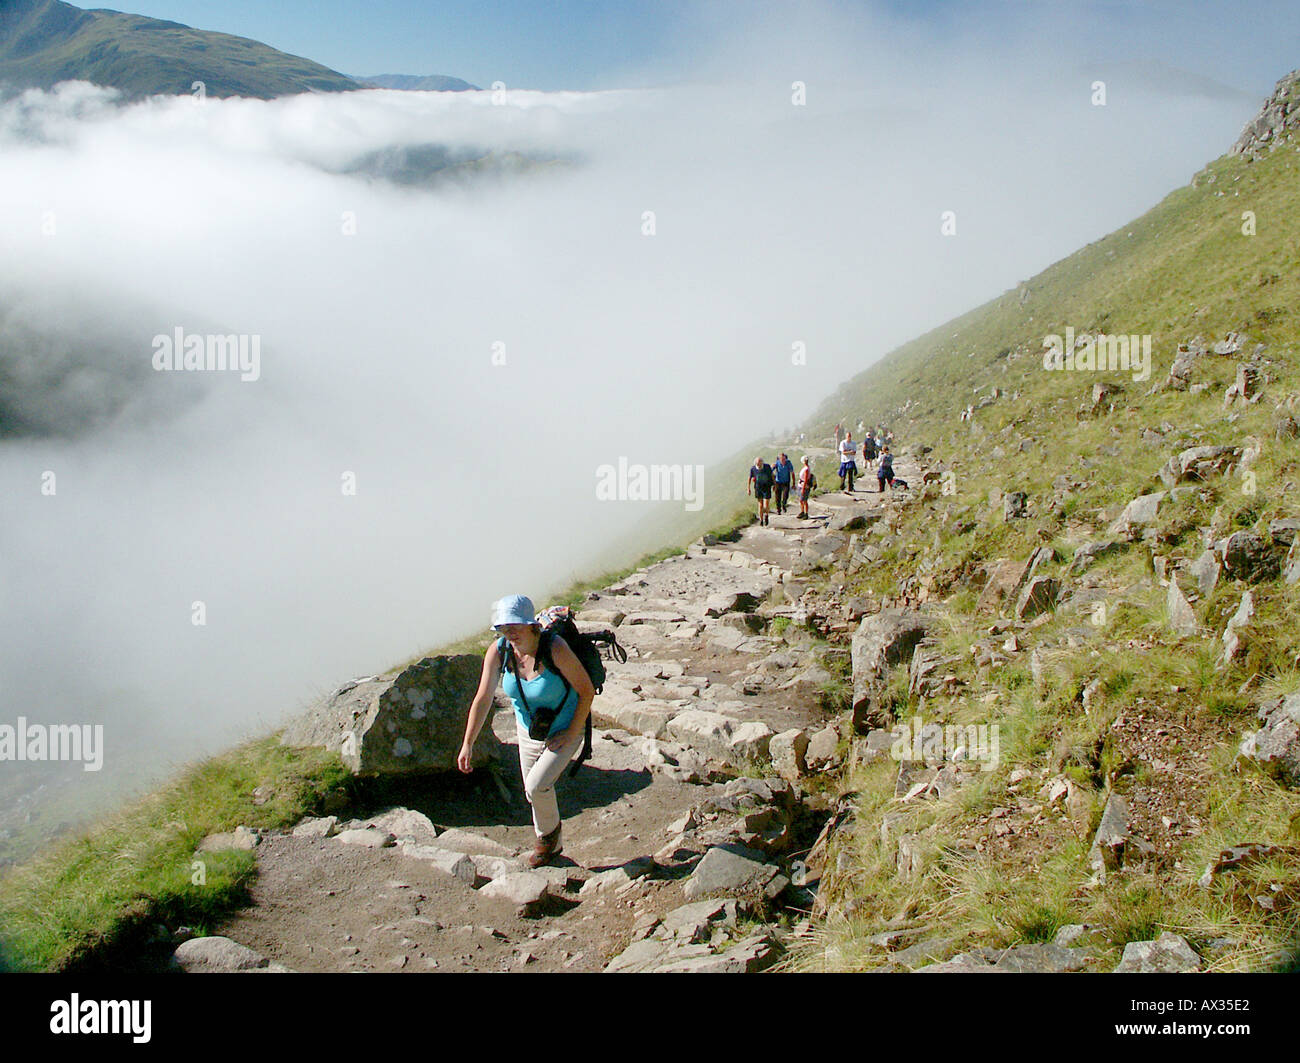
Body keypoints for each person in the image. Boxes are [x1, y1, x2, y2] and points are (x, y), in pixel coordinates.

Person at [458, 595, 595, 868]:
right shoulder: (499, 651)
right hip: (528, 731)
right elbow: (483, 697)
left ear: (531, 624)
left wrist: (571, 733)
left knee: (537, 785)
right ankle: (552, 847)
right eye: (503, 628)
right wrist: (468, 743)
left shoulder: (555, 648)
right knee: (532, 792)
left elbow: (586, 690)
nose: (510, 633)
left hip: (565, 727)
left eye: (515, 626)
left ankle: (546, 842)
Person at [748, 456, 774, 525]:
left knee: (766, 504)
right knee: (760, 505)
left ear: (762, 462)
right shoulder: (753, 469)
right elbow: (750, 478)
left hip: (767, 487)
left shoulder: (767, 467)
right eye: (757, 464)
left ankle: (766, 515)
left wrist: (774, 484)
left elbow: (772, 475)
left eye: (759, 463)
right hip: (758, 488)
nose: (758, 465)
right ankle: (761, 520)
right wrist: (749, 488)